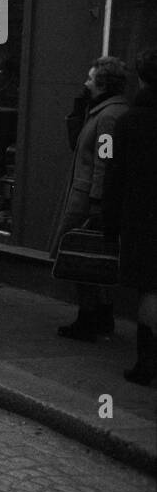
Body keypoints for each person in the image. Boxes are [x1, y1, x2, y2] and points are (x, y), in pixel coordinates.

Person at [53, 56, 129, 341]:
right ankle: (99, 316)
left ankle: (89, 318)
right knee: (92, 259)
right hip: (87, 193)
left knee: (81, 259)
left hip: (87, 198)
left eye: (89, 78)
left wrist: (96, 201)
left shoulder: (109, 116)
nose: (85, 82)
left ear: (102, 83)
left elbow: (104, 160)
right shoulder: (102, 110)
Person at [104, 48, 157, 384]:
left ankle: (146, 363)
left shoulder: (130, 121)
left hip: (144, 218)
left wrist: (110, 223)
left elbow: (114, 173)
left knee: (151, 291)